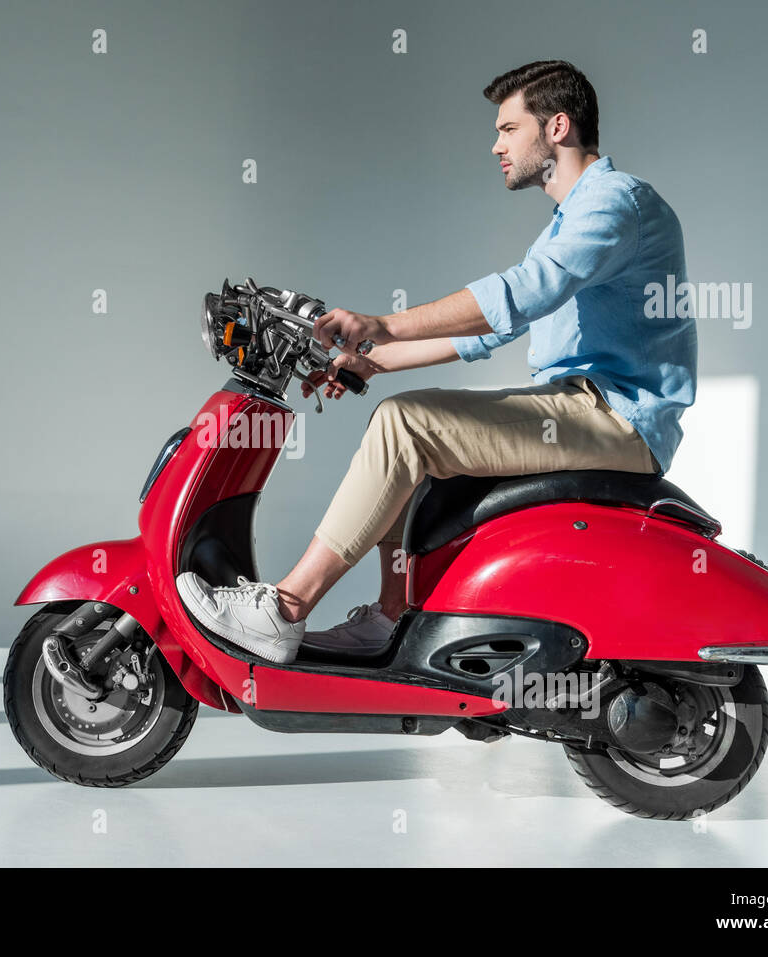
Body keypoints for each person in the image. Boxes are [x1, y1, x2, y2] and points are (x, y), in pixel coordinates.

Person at [177, 59, 696, 665]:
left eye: (508, 128)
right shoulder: (574, 220)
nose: (495, 144)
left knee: (407, 426)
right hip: (586, 407)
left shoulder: (615, 203)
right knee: (398, 425)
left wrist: (383, 323)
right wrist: (373, 359)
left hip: (614, 416)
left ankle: (285, 610)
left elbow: (521, 293)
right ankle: (394, 614)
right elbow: (493, 330)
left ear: (557, 127)